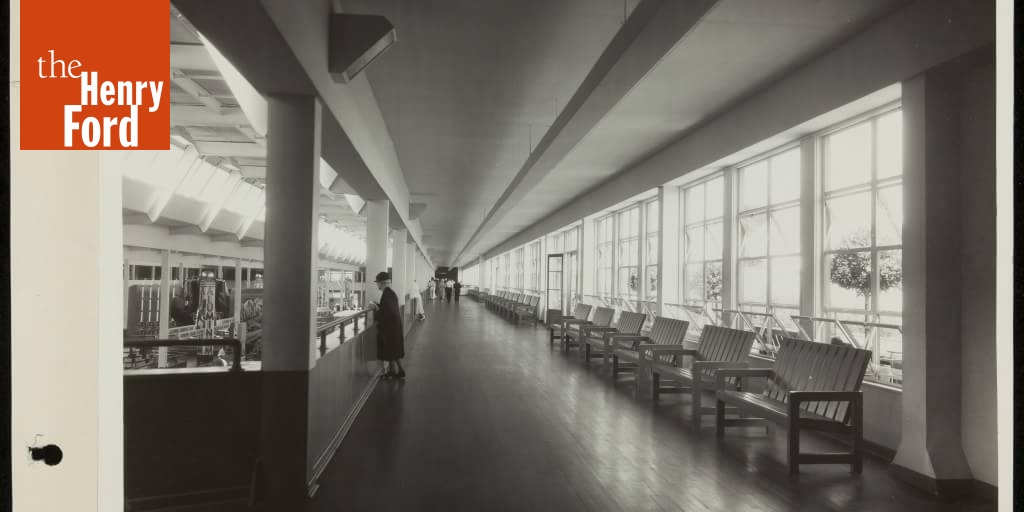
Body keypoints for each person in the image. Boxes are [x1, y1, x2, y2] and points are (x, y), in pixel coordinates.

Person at [369, 271, 405, 379]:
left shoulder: (387, 294)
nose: (377, 285)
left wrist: (376, 309)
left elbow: (387, 312)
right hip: (393, 326)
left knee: (391, 350)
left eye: (378, 283)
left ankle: (397, 371)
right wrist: (379, 304)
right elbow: (388, 308)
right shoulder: (390, 293)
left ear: (383, 283)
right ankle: (394, 372)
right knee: (392, 350)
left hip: (390, 327)